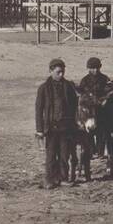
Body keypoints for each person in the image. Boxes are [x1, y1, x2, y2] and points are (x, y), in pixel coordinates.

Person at [35, 58, 79, 188]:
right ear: (50, 71)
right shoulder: (43, 88)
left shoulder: (69, 86)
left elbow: (74, 106)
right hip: (51, 127)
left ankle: (63, 178)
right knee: (51, 155)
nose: (61, 74)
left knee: (65, 155)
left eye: (63, 72)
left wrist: (75, 123)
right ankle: (49, 180)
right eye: (58, 72)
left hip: (66, 127)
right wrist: (39, 129)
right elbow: (39, 109)